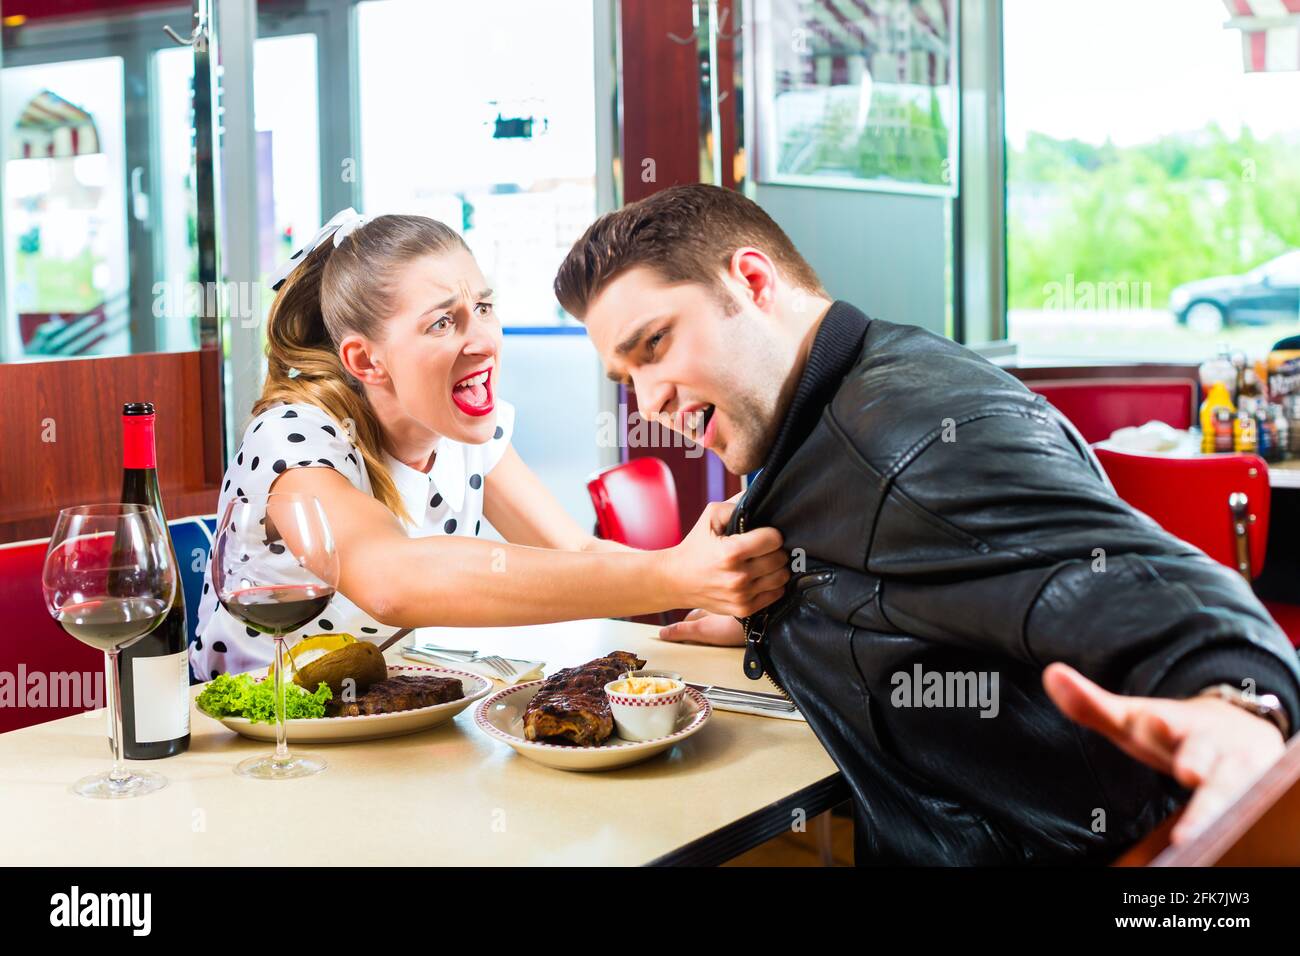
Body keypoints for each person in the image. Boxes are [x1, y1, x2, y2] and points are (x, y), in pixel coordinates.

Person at [554, 183, 1300, 865]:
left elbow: (1173, 605)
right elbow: (913, 580)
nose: (647, 402)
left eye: (654, 345)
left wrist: (1238, 709)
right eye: (627, 379)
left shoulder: (922, 444)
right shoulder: (826, 398)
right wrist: (778, 614)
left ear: (751, 281)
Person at [190, 209, 789, 679]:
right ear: (365, 359)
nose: (483, 341)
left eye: (483, 307)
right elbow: (393, 581)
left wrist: (714, 587)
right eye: (442, 322)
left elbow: (575, 552)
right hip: (259, 743)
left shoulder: (467, 433)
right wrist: (674, 576)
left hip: (382, 720)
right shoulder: (296, 436)